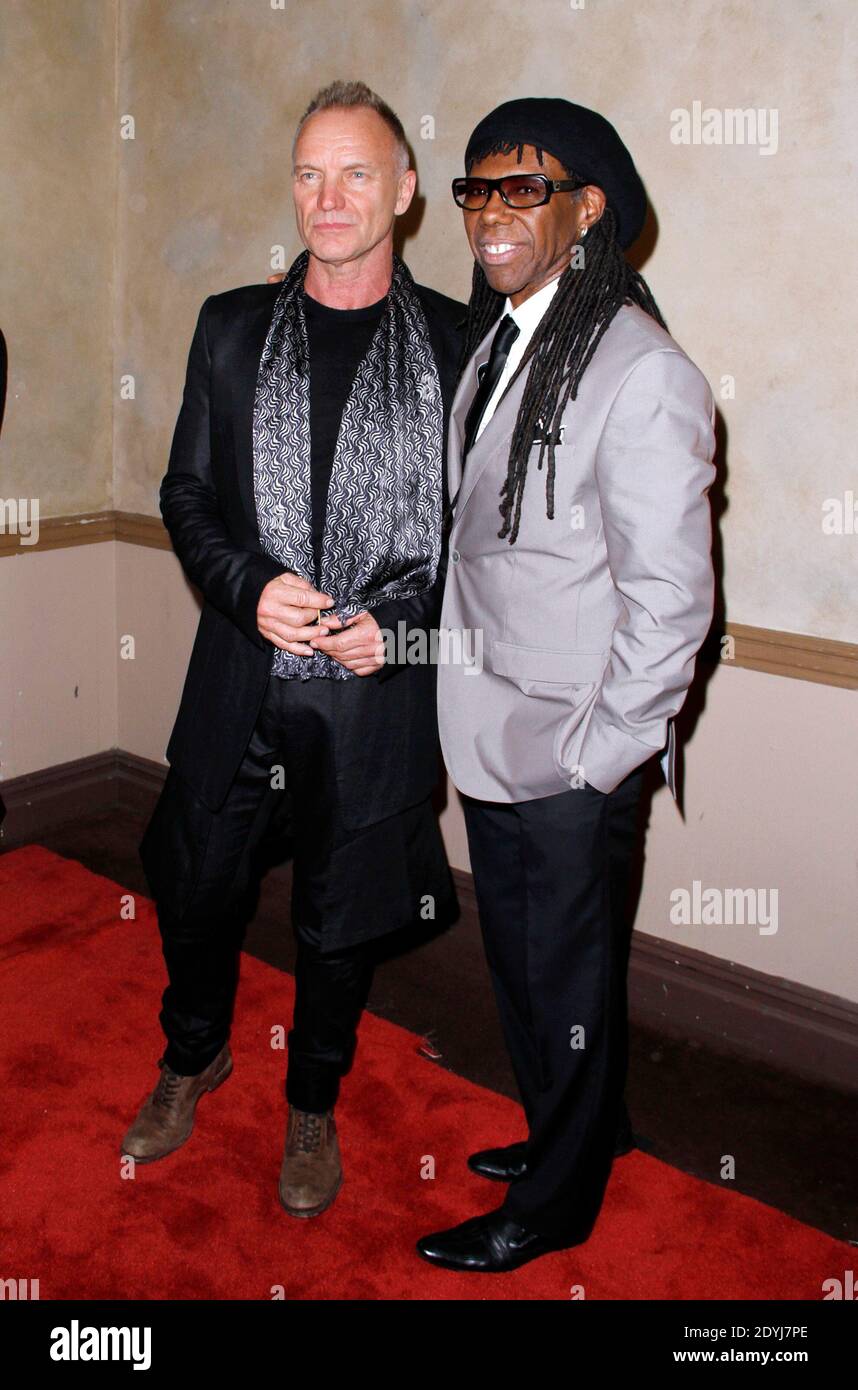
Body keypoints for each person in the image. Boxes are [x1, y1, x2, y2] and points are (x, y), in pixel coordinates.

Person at [123, 80, 464, 1221]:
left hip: (372, 702)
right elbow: (185, 494)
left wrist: (400, 633)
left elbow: (487, 552)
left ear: (404, 190)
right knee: (195, 885)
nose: (330, 197)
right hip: (240, 680)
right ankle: (193, 1054)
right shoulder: (230, 327)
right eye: (310, 173)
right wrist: (249, 588)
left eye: (356, 172)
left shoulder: (460, 346)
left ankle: (310, 1099)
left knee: (338, 919)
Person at [417, 98, 717, 1273]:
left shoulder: (641, 372)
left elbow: (671, 604)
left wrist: (598, 756)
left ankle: (557, 1203)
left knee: (563, 974)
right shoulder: (503, 342)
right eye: (477, 188)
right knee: (530, 969)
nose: (490, 211)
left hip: (572, 749)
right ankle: (573, 1132)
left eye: (524, 188)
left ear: (588, 209)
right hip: (493, 724)